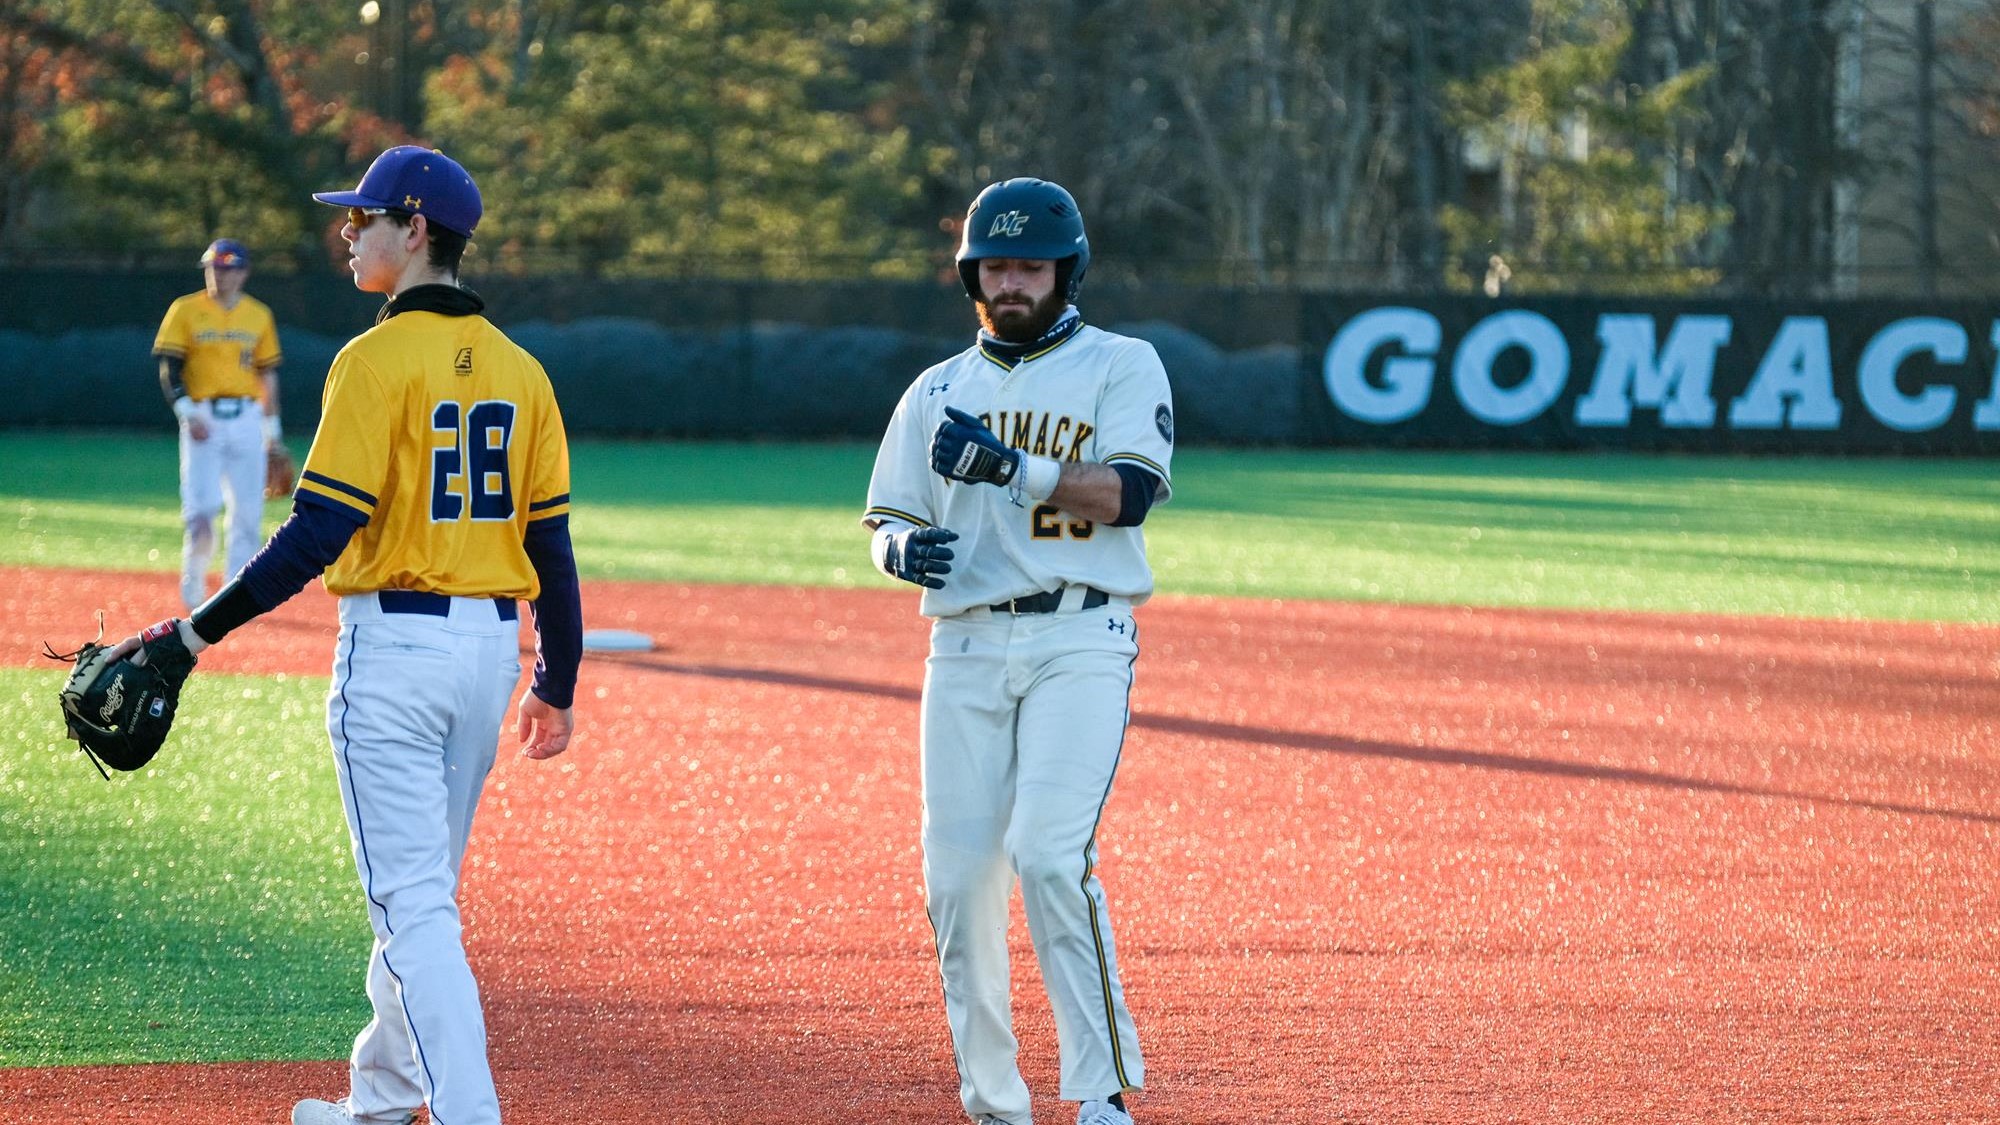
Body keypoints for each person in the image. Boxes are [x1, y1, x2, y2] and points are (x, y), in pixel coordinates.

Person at [109, 144, 583, 1125]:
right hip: (488, 657)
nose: (348, 231)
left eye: (366, 217)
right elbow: (551, 543)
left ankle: (471, 1112)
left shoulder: (372, 361)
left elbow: (320, 529)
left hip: (395, 657)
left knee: (413, 906)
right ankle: (379, 1101)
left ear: (417, 231)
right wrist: (558, 676)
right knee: (422, 894)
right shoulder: (524, 371)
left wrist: (194, 634)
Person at [861, 178, 1174, 1125]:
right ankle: (995, 1104)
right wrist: (897, 550)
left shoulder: (1121, 364)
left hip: (1081, 632)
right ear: (971, 276)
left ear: (1066, 272)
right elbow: (886, 516)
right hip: (961, 643)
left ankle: (1100, 1092)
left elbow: (1128, 494)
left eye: (1030, 266)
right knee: (957, 883)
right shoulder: (935, 390)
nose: (1010, 282)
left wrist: (1012, 467)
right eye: (994, 266)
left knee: (1046, 853)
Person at [153, 237, 286, 610]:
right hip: (202, 417)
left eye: (228, 268)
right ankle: (194, 578)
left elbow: (267, 375)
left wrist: (272, 433)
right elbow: (169, 367)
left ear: (243, 273)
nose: (219, 275)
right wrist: (186, 411)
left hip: (247, 417)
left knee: (247, 514)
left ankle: (235, 596)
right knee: (201, 511)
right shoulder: (185, 309)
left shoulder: (258, 314)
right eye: (213, 268)